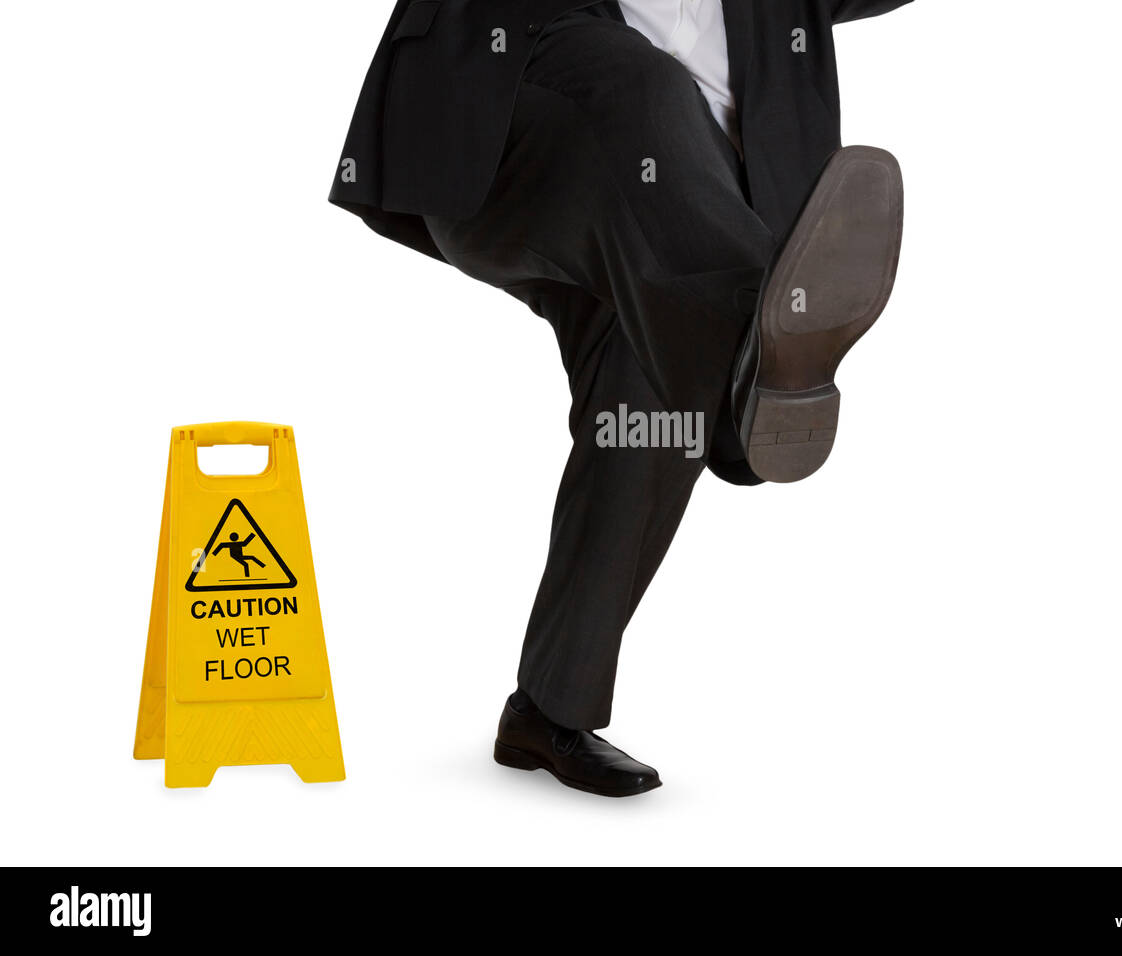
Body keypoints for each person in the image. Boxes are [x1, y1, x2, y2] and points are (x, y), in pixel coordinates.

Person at [330, 0, 915, 797]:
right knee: (645, 90)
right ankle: (755, 343)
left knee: (650, 410)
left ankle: (548, 709)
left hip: (676, 217)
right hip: (518, 135)